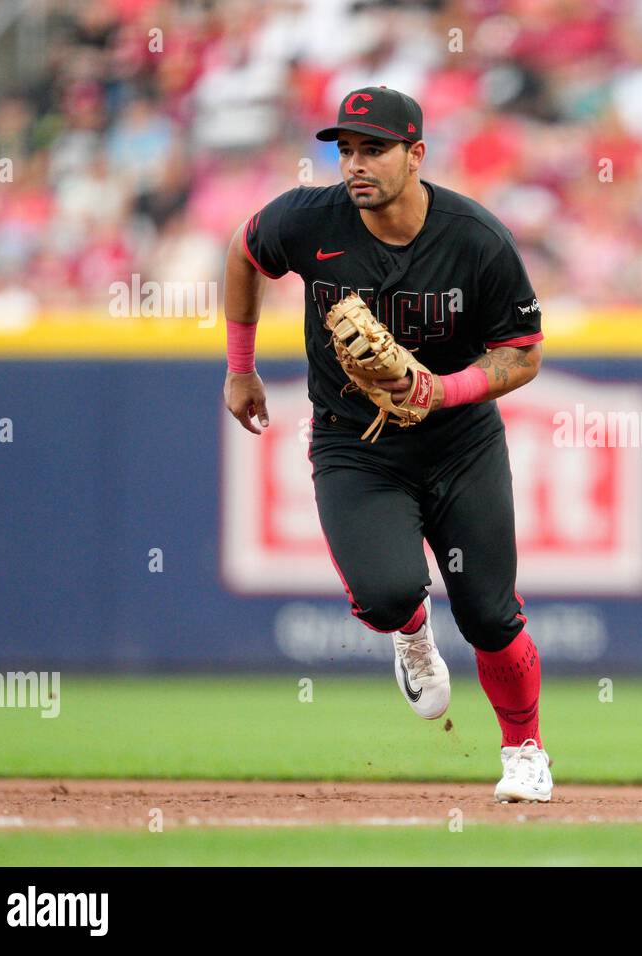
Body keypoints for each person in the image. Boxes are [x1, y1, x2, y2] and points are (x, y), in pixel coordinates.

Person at [221, 87, 552, 801]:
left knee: (492, 615)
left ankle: (524, 751)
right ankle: (410, 636)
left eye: (374, 148)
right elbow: (243, 254)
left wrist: (443, 389)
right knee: (387, 594)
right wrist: (240, 367)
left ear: (416, 154)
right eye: (345, 150)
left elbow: (522, 353)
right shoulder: (308, 220)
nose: (355, 164)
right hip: (355, 444)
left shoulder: (474, 236)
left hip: (459, 442)